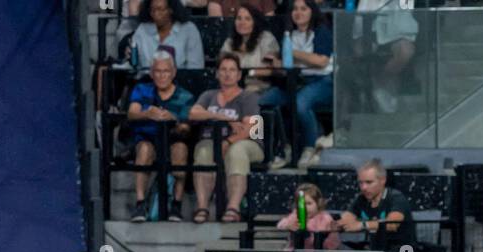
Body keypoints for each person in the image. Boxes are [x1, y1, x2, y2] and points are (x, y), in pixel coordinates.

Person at [259, 0, 334, 169]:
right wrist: (277, 63)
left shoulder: (321, 31)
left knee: (300, 104)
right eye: (294, 9)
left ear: (312, 11)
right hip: (295, 80)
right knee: (264, 102)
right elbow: (287, 65)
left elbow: (321, 61)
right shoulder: (289, 34)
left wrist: (292, 53)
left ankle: (310, 147)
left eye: (303, 9)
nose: (298, 13)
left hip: (322, 81)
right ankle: (279, 148)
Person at [189, 54, 263, 223]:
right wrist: (223, 117)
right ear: (217, 74)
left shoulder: (249, 97)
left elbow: (252, 128)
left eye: (232, 70)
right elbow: (193, 113)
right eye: (223, 70)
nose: (227, 74)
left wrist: (228, 141)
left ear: (239, 75)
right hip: (212, 141)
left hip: (247, 144)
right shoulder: (209, 95)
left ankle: (233, 207)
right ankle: (202, 207)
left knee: (236, 152)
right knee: (203, 151)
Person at [126, 51, 193, 222]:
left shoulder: (185, 96)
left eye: (166, 71)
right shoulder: (142, 90)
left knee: (180, 149)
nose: (162, 76)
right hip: (148, 138)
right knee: (145, 150)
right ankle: (140, 204)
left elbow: (186, 128)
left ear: (173, 72)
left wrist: (174, 119)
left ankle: (176, 206)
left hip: (172, 139)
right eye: (157, 71)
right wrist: (147, 113)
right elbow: (132, 113)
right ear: (151, 73)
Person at [336, 158, 417, 252]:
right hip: (374, 250)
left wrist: (362, 225)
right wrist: (327, 222)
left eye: (369, 182)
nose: (363, 187)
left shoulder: (396, 198)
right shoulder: (360, 199)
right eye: (360, 183)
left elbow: (392, 224)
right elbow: (345, 220)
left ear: (382, 180)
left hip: (405, 251)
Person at [261, 182, 342, 252]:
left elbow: (332, 243)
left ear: (318, 203)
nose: (305, 208)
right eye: (302, 204)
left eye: (309, 203)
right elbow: (280, 224)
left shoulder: (325, 218)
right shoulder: (296, 215)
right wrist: (288, 225)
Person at [353, 0, 418, 115]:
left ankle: (381, 82)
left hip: (397, 29)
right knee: (360, 52)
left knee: (405, 51)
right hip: (368, 27)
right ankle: (365, 93)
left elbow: (407, 9)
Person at [220, 5, 281, 96]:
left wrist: (249, 72)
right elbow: (221, 67)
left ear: (255, 22)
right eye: (239, 18)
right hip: (232, 87)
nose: (242, 22)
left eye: (247, 19)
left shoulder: (266, 38)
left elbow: (272, 68)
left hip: (260, 87)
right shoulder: (229, 42)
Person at [130, 0, 205, 74]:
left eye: (160, 10)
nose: (156, 14)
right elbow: (135, 68)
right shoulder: (142, 29)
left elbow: (196, 69)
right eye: (152, 10)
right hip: (147, 83)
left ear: (171, 10)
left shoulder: (189, 30)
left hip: (180, 83)